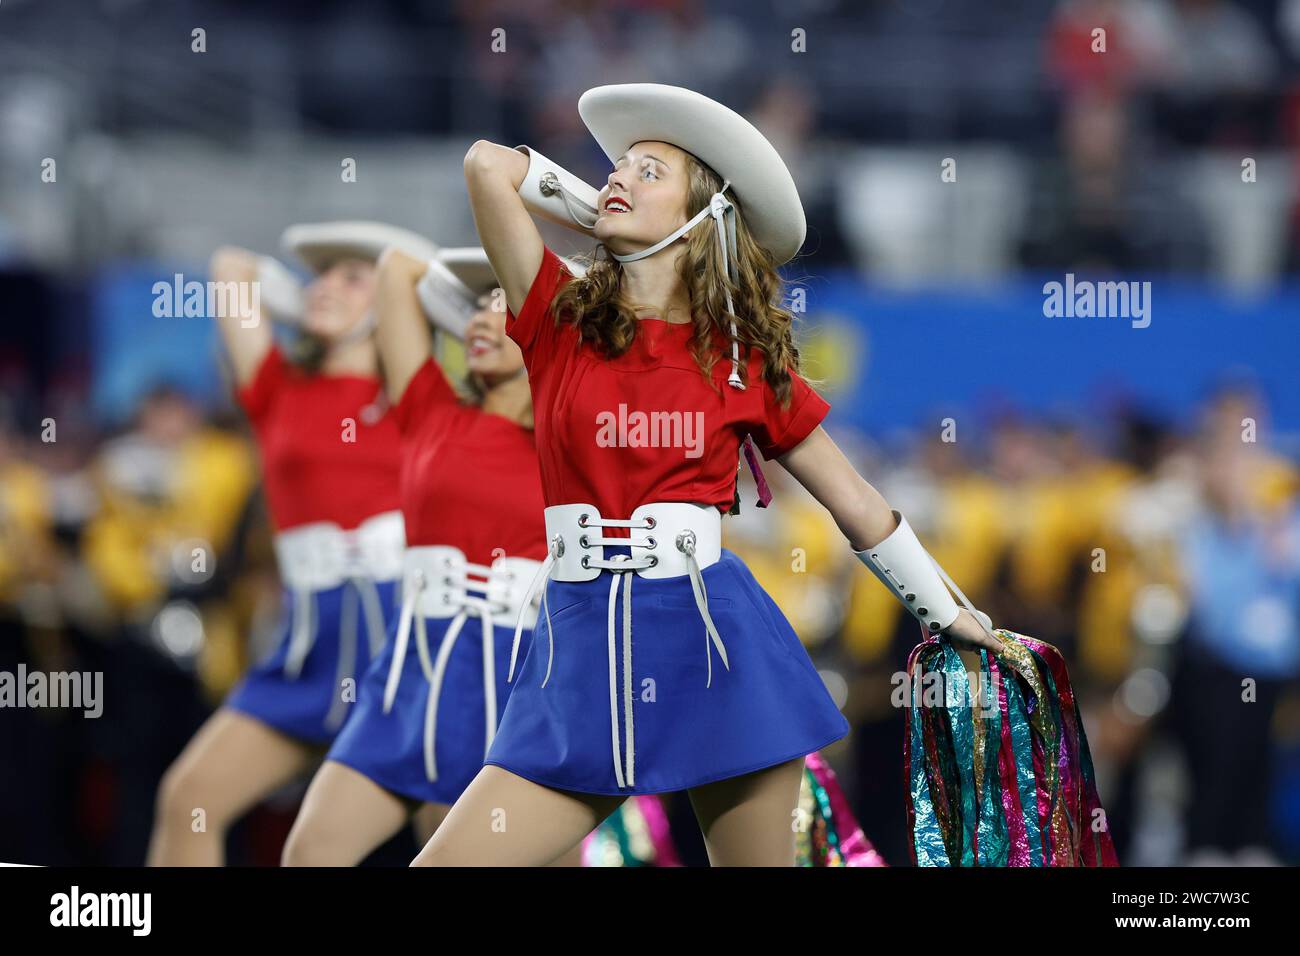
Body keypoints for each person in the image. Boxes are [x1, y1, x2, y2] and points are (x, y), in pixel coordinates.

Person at [413, 84, 998, 867]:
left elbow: (855, 502)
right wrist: (618, 217)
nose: (619, 176)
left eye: (648, 171)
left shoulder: (745, 361)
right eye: (616, 167)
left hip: (718, 650)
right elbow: (487, 165)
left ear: (705, 218)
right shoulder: (558, 316)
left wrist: (944, 613)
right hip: (578, 649)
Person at [148, 222, 433, 865]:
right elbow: (229, 264)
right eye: (319, 275)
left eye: (351, 278)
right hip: (307, 643)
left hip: (407, 645)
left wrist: (400, 289)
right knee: (187, 797)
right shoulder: (278, 386)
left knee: (444, 840)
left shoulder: (419, 397)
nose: (326, 286)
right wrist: (303, 298)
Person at [281, 245, 565, 865]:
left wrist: (559, 295)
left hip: (518, 686)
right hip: (410, 673)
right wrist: (485, 276)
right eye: (473, 310)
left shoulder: (570, 436)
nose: (481, 323)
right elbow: (396, 267)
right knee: (310, 854)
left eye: (504, 308)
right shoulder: (430, 406)